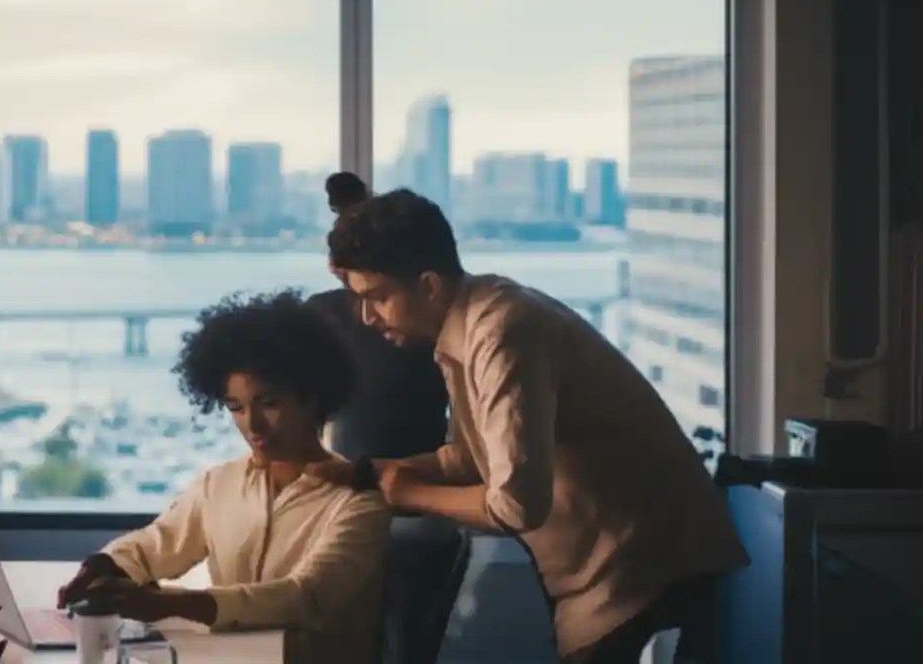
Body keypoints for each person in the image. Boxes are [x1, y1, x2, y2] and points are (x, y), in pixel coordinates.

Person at [311, 189, 749, 663]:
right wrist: (369, 472)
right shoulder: (470, 324)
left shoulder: (501, 332)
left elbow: (516, 504)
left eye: (377, 297)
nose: (366, 317)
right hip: (614, 570)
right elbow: (465, 458)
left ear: (430, 285)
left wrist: (411, 494)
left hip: (643, 573)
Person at [55, 290, 391, 664]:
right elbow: (155, 544)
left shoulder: (359, 504)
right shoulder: (220, 485)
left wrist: (176, 603)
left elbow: (304, 596)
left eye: (269, 404)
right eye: (236, 407)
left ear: (312, 397)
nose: (252, 424)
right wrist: (103, 565)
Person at [305, 172, 456, 664]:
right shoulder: (335, 315)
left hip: (406, 497)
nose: (373, 317)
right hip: (386, 493)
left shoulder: (420, 324)